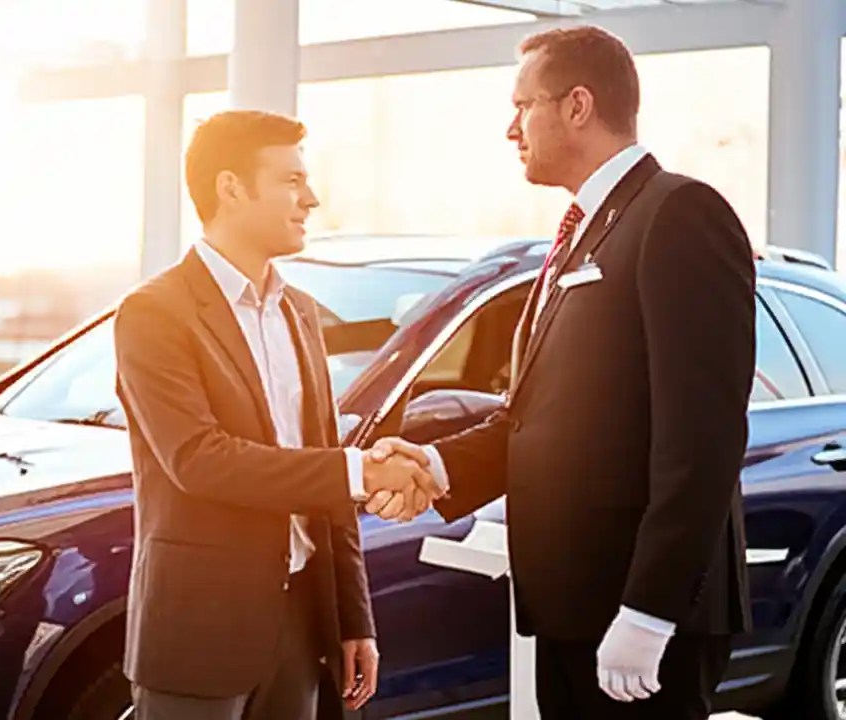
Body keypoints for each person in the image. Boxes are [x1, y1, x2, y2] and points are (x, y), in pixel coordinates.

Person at [367, 25, 755, 719]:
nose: (509, 128)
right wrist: (433, 462)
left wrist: (649, 613)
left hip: (634, 622)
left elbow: (702, 439)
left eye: (522, 106)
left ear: (578, 106)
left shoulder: (678, 215)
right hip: (573, 610)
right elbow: (543, 418)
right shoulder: (583, 230)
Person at [113, 109, 439, 720]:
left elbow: (323, 471)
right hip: (200, 632)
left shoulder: (300, 312)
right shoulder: (154, 313)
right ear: (231, 188)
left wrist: (353, 620)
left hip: (301, 627)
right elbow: (198, 461)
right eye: (291, 181)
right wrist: (361, 471)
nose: (310, 199)